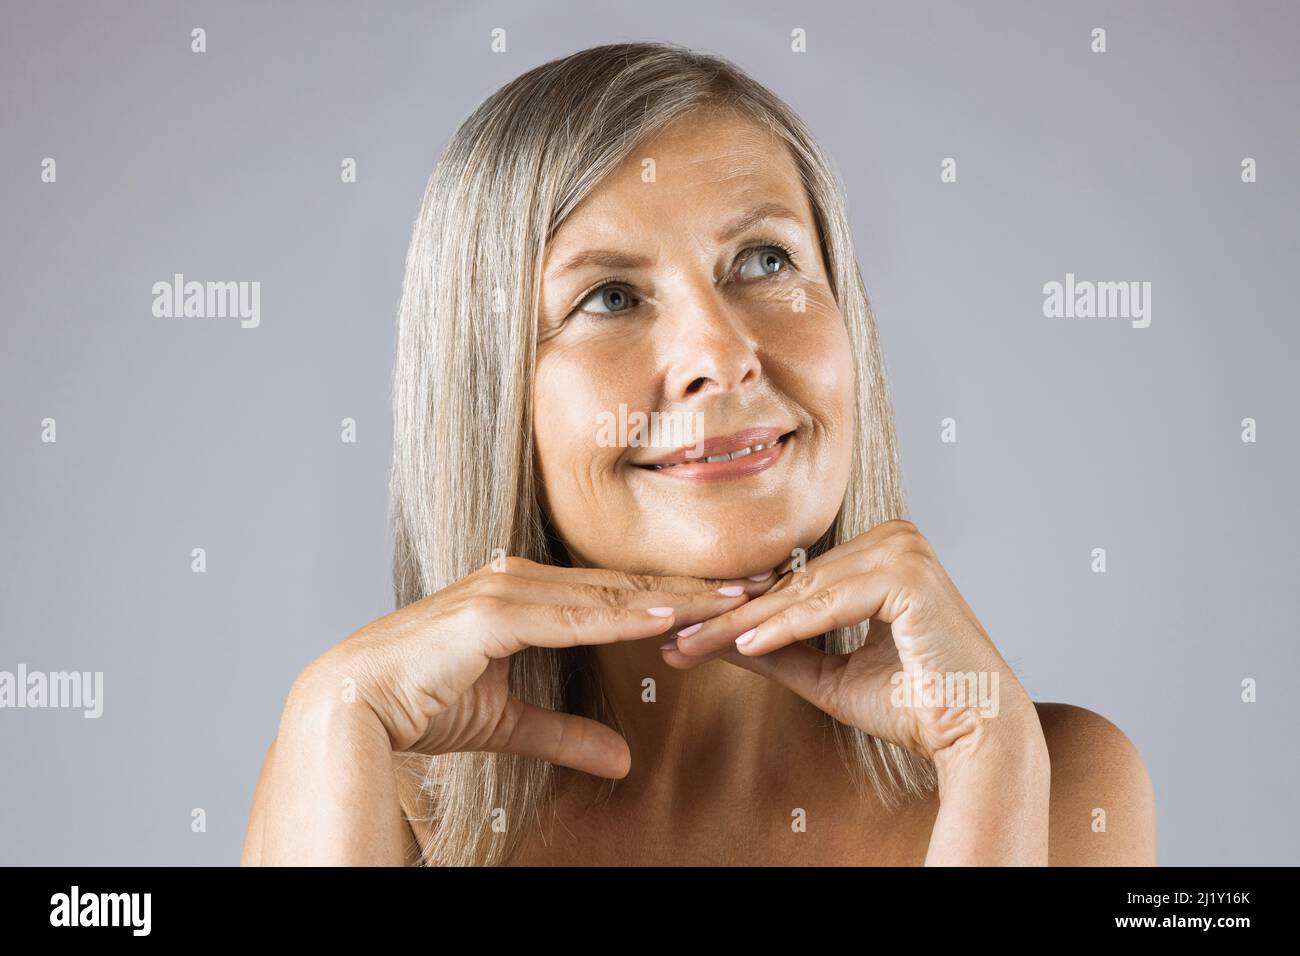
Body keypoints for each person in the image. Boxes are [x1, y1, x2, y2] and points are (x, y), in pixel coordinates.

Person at [241, 41, 1156, 867]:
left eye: (764, 261)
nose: (720, 354)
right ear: (491, 397)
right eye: (608, 297)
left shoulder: (1054, 778)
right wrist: (334, 708)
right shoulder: (365, 780)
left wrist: (990, 764)